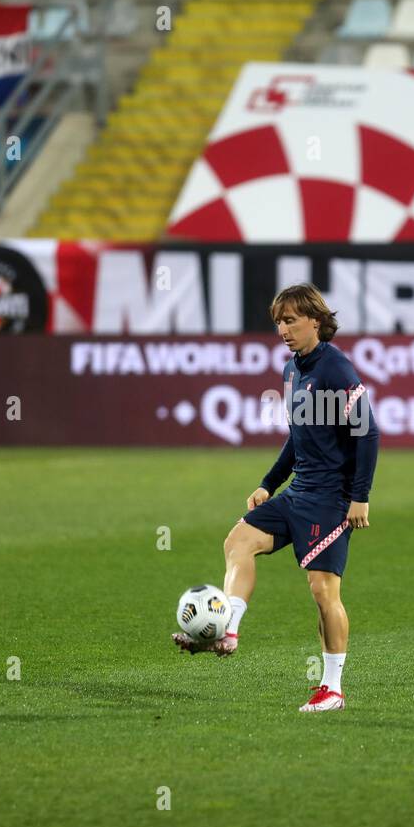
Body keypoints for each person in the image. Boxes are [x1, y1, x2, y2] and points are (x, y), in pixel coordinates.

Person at [173, 284, 380, 713]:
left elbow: (368, 432)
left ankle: (333, 688)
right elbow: (298, 437)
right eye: (278, 323)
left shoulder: (337, 369)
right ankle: (228, 628)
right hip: (297, 491)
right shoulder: (293, 370)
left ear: (316, 321)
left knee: (324, 592)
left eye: (290, 321)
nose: (282, 330)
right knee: (237, 542)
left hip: (330, 499)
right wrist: (269, 483)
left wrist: (359, 497)